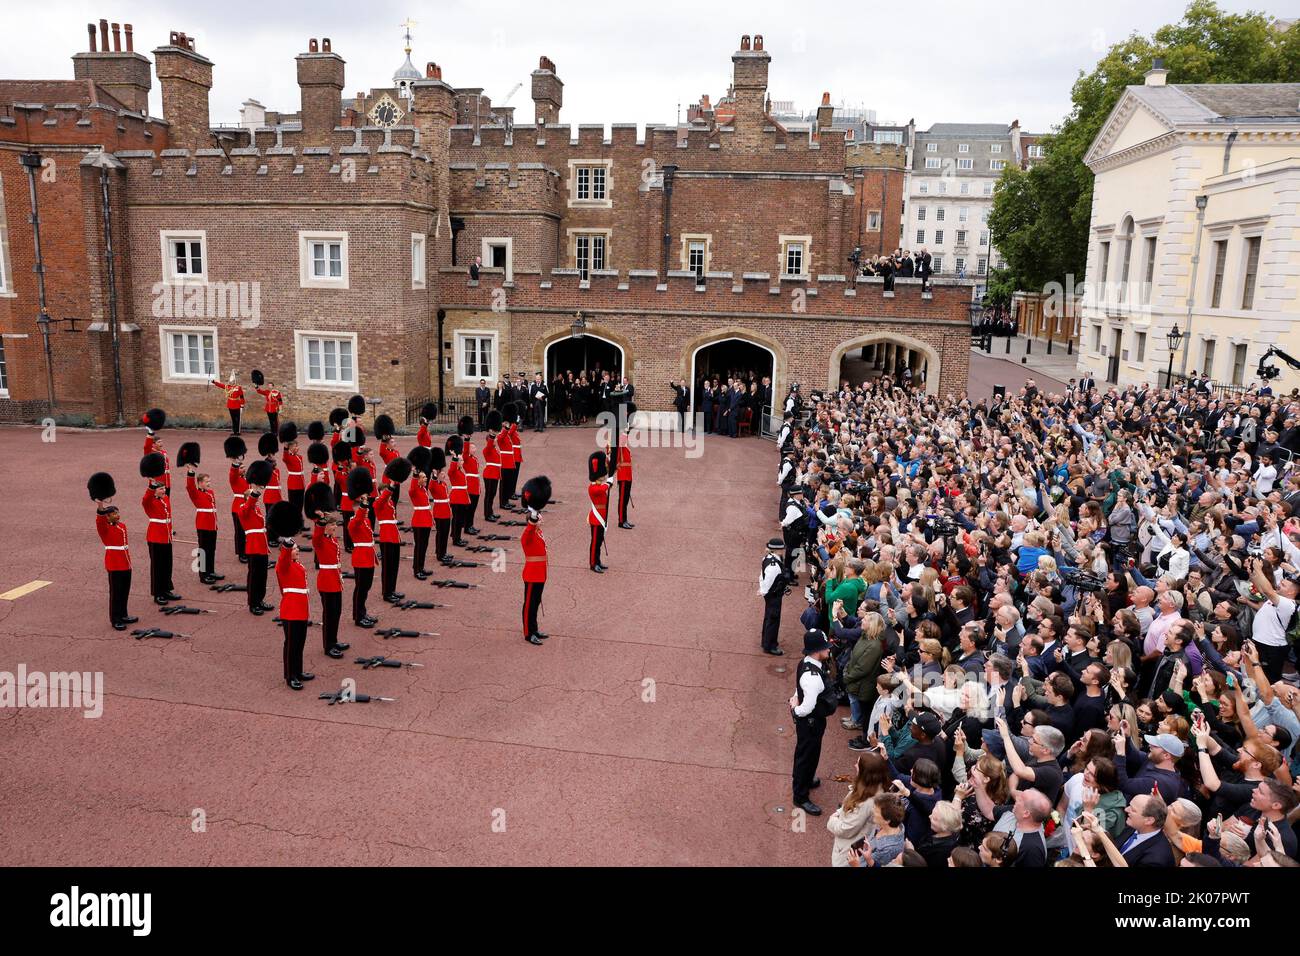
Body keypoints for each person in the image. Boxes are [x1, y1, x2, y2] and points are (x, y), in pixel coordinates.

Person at [790, 629, 835, 816]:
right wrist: (795, 710)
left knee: (812, 753)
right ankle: (800, 796)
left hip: (812, 721)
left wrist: (795, 700)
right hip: (810, 722)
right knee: (805, 756)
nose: (829, 650)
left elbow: (799, 689)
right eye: (826, 647)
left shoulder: (807, 663)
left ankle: (807, 779)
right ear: (817, 650)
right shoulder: (813, 676)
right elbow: (806, 707)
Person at [92, 485, 136, 631]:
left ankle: (123, 614)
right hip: (115, 564)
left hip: (125, 563)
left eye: (117, 513)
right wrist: (100, 505)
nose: (117, 515)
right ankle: (115, 619)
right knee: (115, 593)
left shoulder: (122, 526)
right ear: (108, 516)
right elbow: (99, 521)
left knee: (124, 591)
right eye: (114, 514)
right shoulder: (105, 529)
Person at [520, 477, 552, 646]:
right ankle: (528, 632)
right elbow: (529, 529)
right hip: (532, 574)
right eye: (539, 518)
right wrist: (533, 515)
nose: (541, 519)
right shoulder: (528, 535)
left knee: (536, 603)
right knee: (530, 605)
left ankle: (535, 628)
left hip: (540, 574)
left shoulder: (538, 533)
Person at [347, 467, 377, 628]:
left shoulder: (365, 520)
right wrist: (364, 503)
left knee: (366, 588)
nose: (365, 511)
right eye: (362, 508)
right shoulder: (353, 522)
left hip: (368, 556)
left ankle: (363, 612)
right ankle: (358, 617)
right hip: (361, 558)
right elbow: (359, 517)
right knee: (361, 588)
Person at [184, 466, 222, 586]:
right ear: (200, 483)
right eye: (207, 481)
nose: (209, 483)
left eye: (209, 481)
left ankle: (210, 571)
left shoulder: (210, 492)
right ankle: (203, 575)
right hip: (203, 525)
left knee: (211, 549)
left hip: (212, 524)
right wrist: (191, 472)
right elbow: (190, 487)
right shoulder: (195, 493)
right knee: (203, 551)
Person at [759, 538, 788, 655]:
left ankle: (765, 641)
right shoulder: (774, 565)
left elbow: (762, 576)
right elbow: (769, 581)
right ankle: (770, 645)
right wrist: (764, 590)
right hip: (774, 595)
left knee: (768, 617)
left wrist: (762, 590)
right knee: (773, 619)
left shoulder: (767, 559)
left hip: (770, 593)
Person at [587, 451, 613, 573]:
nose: (604, 476)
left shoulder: (599, 485)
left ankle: (597, 561)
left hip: (601, 519)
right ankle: (593, 563)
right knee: (595, 542)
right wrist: (609, 482)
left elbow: (605, 486)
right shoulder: (593, 488)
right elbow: (603, 488)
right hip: (597, 519)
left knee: (599, 541)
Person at [614, 417, 634, 529]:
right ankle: (621, 521)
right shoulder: (620, 443)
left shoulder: (625, 446)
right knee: (622, 499)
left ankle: (625, 519)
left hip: (628, 475)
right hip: (623, 475)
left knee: (625, 499)